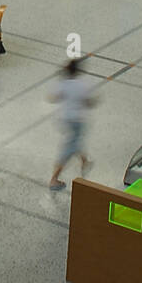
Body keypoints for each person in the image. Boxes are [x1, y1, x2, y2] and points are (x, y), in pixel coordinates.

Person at [48, 58, 95, 191]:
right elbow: (88, 102)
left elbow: (52, 97)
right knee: (69, 148)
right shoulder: (82, 85)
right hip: (77, 121)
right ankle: (54, 179)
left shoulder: (63, 83)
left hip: (64, 119)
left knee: (75, 141)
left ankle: (84, 161)